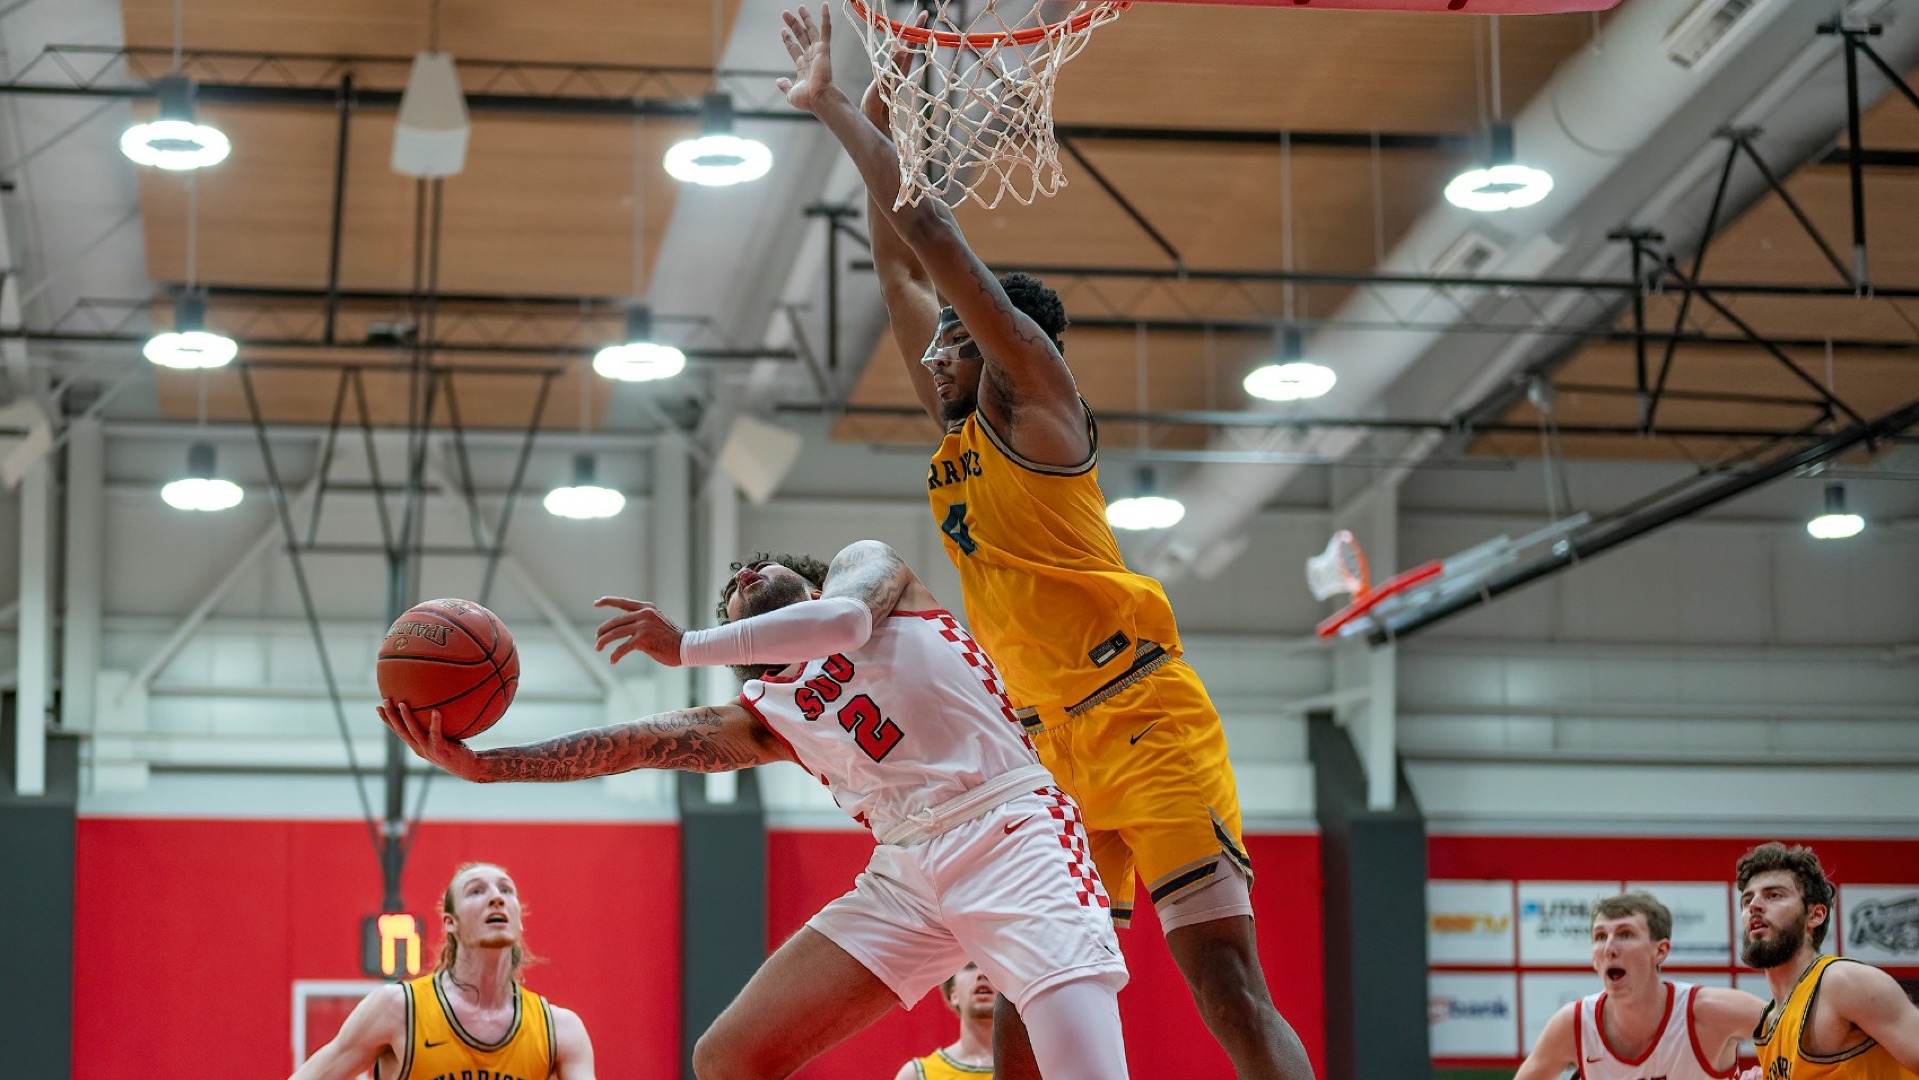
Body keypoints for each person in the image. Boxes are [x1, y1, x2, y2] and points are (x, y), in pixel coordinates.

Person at [775, 9, 1314, 1079]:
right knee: (1031, 983)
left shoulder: (1039, 402)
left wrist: (836, 108)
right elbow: (896, 267)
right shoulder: (959, 426)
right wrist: (879, 97)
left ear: (1000, 342)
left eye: (950, 340)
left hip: (1142, 722)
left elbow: (929, 234)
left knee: (1222, 982)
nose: (930, 356)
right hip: (1042, 751)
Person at [381, 539, 1130, 1080]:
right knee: (730, 1058)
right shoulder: (768, 713)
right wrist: (485, 767)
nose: (744, 574)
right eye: (735, 591)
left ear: (806, 582)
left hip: (1011, 831)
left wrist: (686, 644)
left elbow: (840, 626)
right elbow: (636, 743)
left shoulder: (874, 580)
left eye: (756, 573)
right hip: (906, 871)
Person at [291, 862, 596, 1080]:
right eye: (476, 891)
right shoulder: (398, 1009)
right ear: (451, 923)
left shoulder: (560, 1029)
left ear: (519, 921)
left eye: (506, 889)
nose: (496, 897)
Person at [1514, 891, 1764, 1080]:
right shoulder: (1574, 1024)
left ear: (1660, 951)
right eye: (1600, 937)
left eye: (1625, 934)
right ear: (1593, 958)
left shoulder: (1711, 1010)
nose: (1610, 948)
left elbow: (1800, 1033)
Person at [1738, 843, 1919, 1080]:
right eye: (1747, 900)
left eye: (1774, 895)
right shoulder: (1770, 1019)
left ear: (1815, 915)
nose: (1754, 906)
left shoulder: (1842, 982)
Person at [894, 962, 996, 1080]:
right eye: (970, 967)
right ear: (953, 995)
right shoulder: (916, 1075)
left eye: (992, 967)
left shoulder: (1021, 1067)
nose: (982, 974)